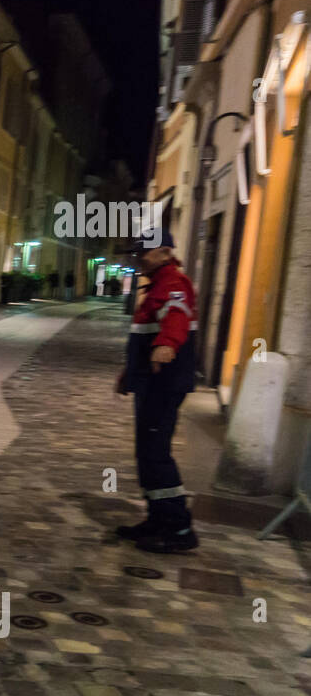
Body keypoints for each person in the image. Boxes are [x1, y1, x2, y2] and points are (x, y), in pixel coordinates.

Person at [114, 230, 199, 553]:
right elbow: (146, 334)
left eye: (144, 252)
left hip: (163, 384)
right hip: (150, 382)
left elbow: (176, 317)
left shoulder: (173, 284)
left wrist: (167, 344)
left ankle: (179, 528)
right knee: (146, 453)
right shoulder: (155, 285)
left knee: (156, 454)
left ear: (164, 252)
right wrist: (130, 373)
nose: (139, 257)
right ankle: (157, 519)